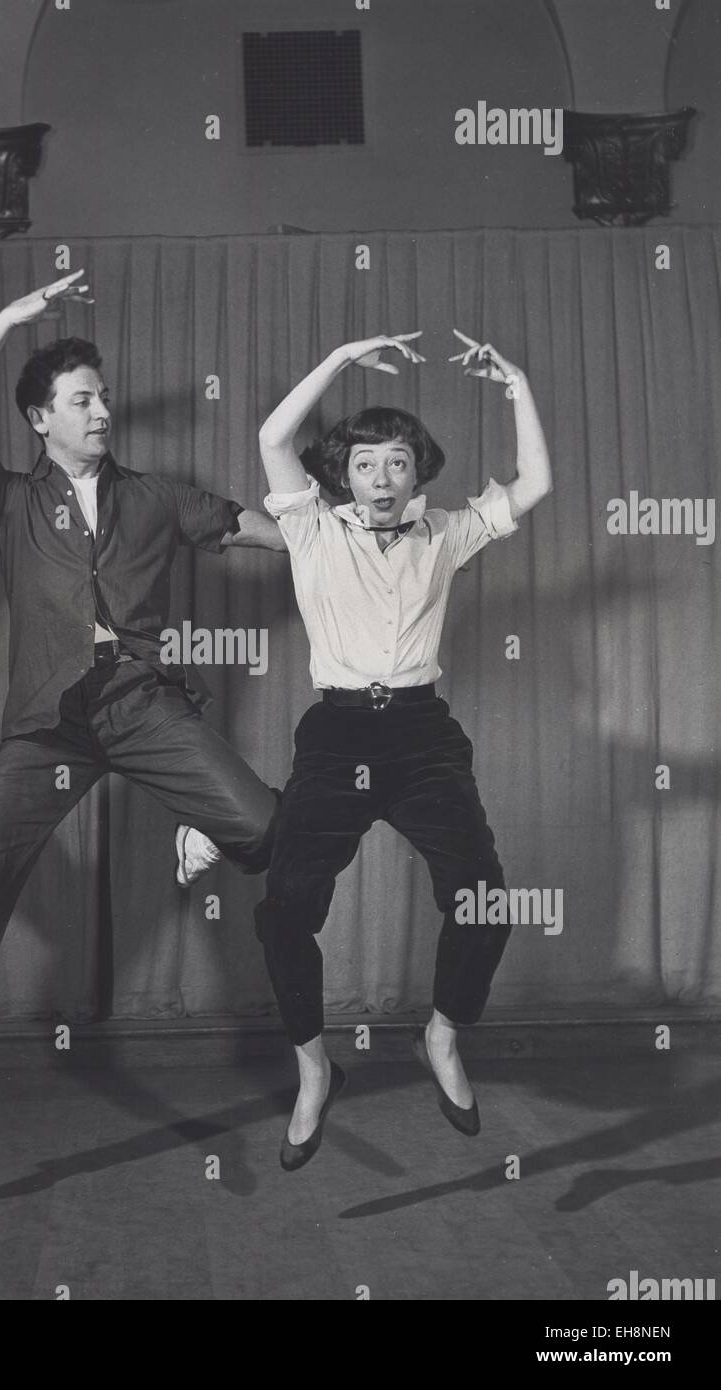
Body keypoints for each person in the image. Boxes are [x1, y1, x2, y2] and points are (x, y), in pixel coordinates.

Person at [0, 272, 285, 1177]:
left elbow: (273, 533)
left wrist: (361, 523)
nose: (101, 410)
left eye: (102, 397)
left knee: (259, 824)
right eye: (81, 399)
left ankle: (203, 822)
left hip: (139, 703)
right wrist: (4, 319)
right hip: (48, 723)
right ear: (39, 419)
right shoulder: (11, 502)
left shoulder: (156, 497)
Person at [254, 328, 553, 1169]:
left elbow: (535, 483)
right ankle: (314, 1070)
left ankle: (442, 1036)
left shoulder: (448, 534)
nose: (379, 480)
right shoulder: (312, 531)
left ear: (416, 474)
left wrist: (517, 382)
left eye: (395, 464)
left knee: (482, 894)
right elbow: (274, 438)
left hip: (421, 735)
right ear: (339, 475)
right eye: (362, 464)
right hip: (337, 732)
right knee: (284, 910)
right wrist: (343, 359)